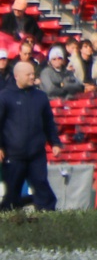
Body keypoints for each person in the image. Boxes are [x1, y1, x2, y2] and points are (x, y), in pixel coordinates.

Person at [0, 56, 60, 210]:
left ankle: (49, 220)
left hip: (36, 154)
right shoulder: (5, 96)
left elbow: (48, 122)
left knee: (42, 188)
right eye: (29, 74)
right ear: (17, 76)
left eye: (33, 74)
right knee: (12, 194)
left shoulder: (40, 96)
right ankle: (8, 219)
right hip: (13, 155)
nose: (33, 77)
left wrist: (55, 142)